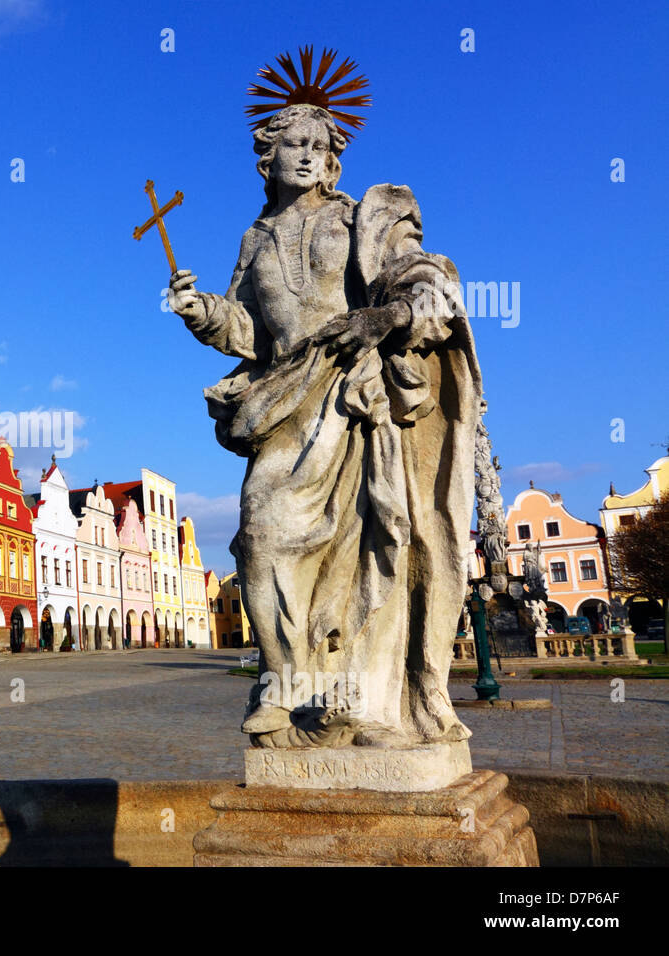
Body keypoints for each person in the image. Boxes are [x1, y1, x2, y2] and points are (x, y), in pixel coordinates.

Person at [170, 104, 482, 748]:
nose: (309, 155)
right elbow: (253, 331)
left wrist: (382, 318)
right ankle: (287, 683)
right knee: (261, 536)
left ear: (334, 158)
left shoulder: (355, 219)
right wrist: (203, 313)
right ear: (268, 157)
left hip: (354, 393)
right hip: (285, 398)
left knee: (365, 543)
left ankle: (355, 699)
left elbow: (430, 286)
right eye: (294, 144)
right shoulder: (255, 238)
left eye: (320, 145)